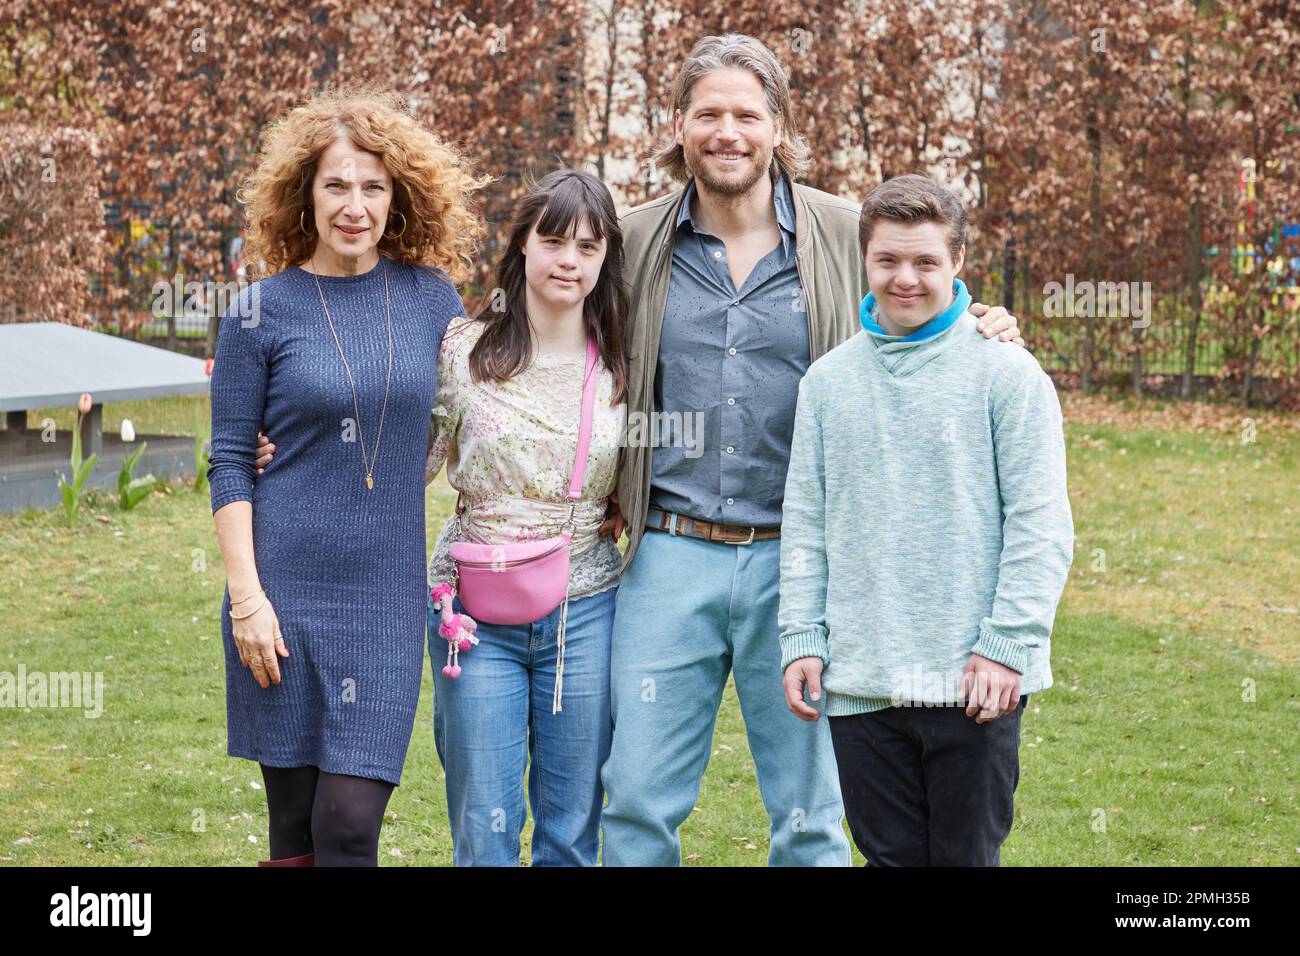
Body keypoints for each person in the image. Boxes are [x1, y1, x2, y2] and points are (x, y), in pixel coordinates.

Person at [600, 33, 1026, 866]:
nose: (728, 131)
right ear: (679, 125)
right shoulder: (630, 239)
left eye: (747, 115)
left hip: (806, 566)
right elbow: (550, 336)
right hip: (667, 553)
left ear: (778, 127)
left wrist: (985, 323)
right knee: (639, 802)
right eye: (709, 113)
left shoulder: (842, 230)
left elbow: (919, 289)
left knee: (810, 817)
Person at [207, 88, 486, 867]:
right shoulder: (260, 312)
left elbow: (487, 409)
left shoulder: (432, 299)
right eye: (336, 184)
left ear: (397, 195)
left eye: (372, 185)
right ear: (307, 193)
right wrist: (247, 601)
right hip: (280, 597)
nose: (354, 205)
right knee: (294, 827)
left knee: (350, 824)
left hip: (384, 598)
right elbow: (229, 459)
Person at [778, 174, 1074, 866]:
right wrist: (802, 636)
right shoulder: (826, 384)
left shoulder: (1008, 375)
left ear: (958, 263)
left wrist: (1009, 645)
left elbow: (1040, 523)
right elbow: (807, 522)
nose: (905, 278)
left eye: (925, 262)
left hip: (971, 680)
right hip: (862, 683)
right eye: (888, 260)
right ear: (865, 260)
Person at [422, 169, 628, 866]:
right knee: (485, 824)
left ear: (605, 261)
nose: (569, 260)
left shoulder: (625, 363)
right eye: (553, 240)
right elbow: (407, 461)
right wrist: (291, 445)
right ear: (523, 247)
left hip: (587, 607)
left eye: (588, 246)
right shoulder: (463, 350)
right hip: (474, 607)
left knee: (571, 829)